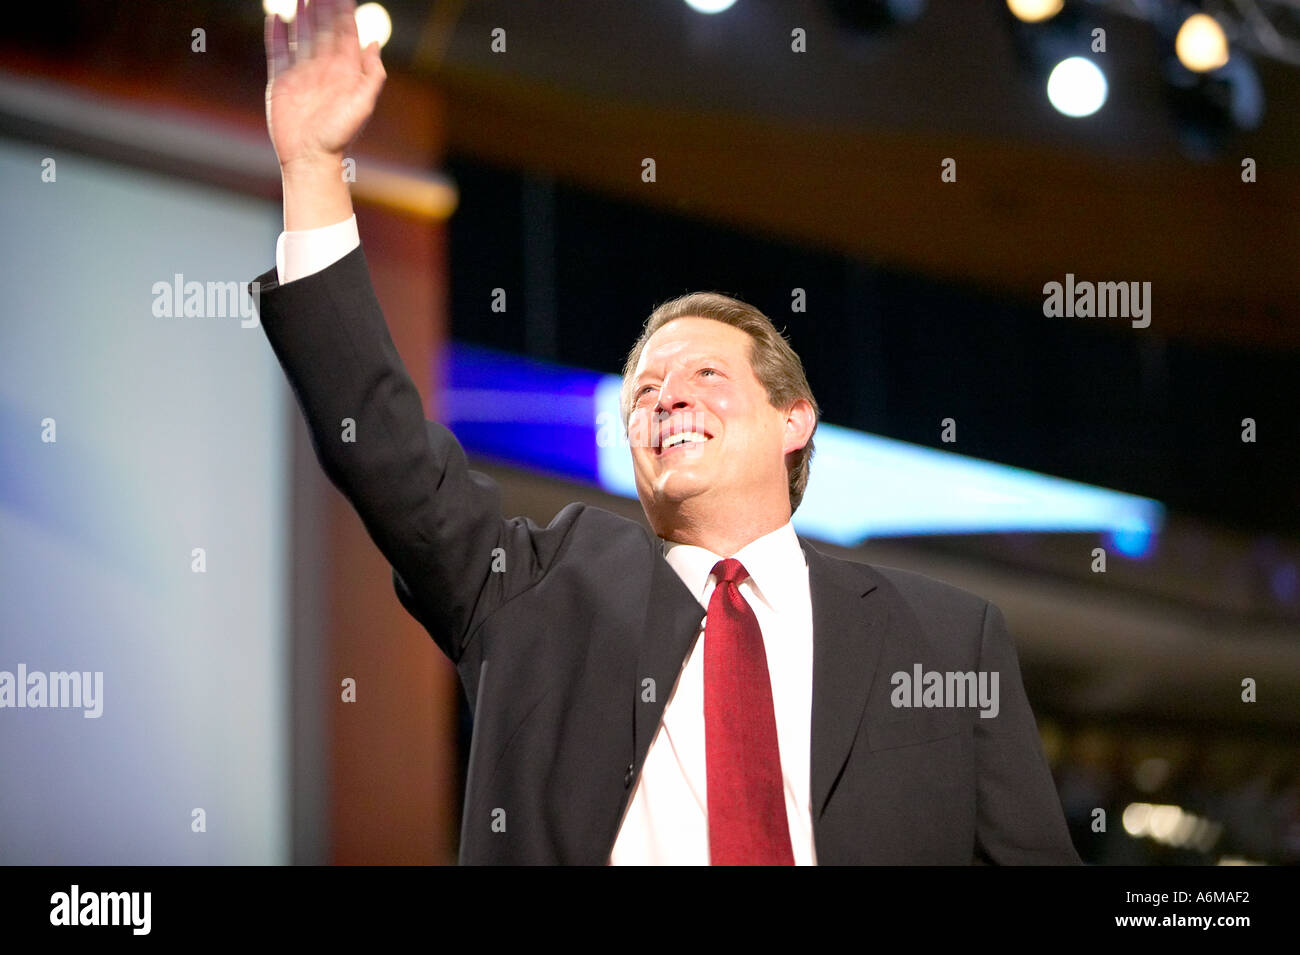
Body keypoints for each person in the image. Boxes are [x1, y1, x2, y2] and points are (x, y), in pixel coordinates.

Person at [254, 0, 1081, 865]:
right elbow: (380, 446)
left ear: (793, 419)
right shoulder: (536, 591)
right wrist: (313, 166)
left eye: (705, 376)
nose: (666, 398)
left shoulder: (948, 639)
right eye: (645, 389)